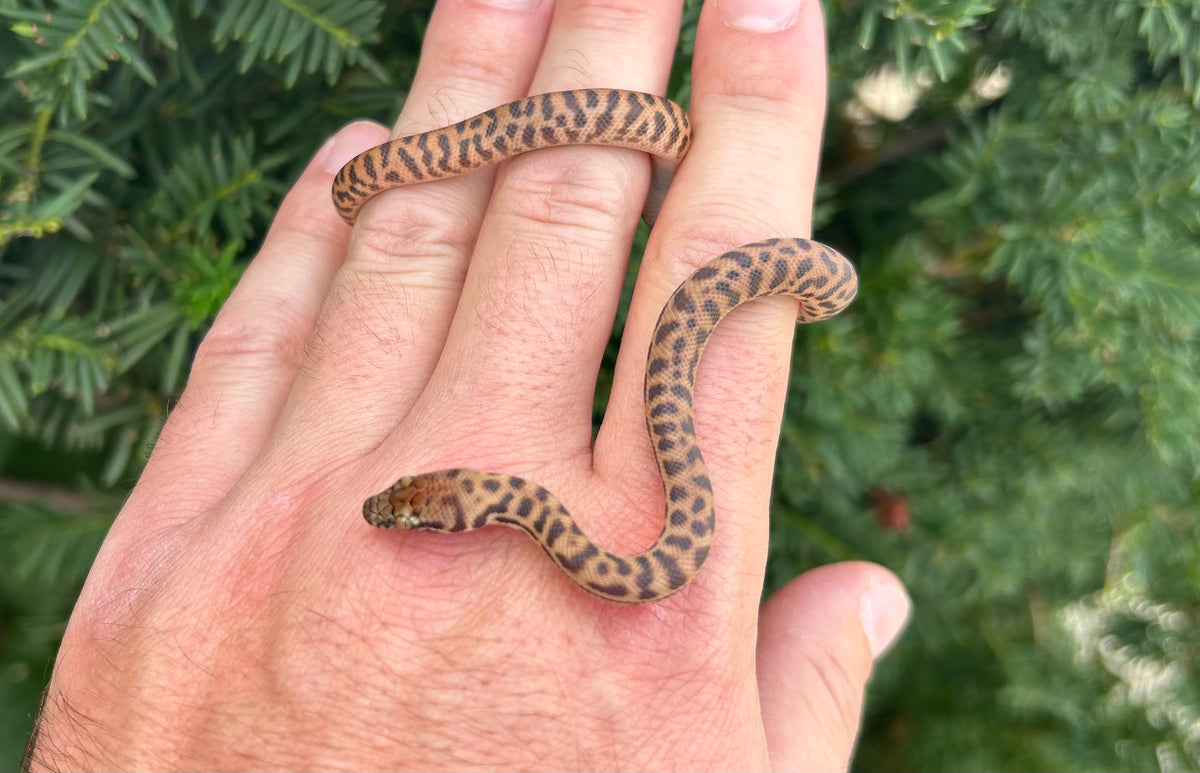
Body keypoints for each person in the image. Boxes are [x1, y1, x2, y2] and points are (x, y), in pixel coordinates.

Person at [25, 0, 910, 769]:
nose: (400, 515)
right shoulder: (591, 546)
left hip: (748, 248)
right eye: (415, 511)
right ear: (486, 512)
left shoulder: (590, 544)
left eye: (411, 511)